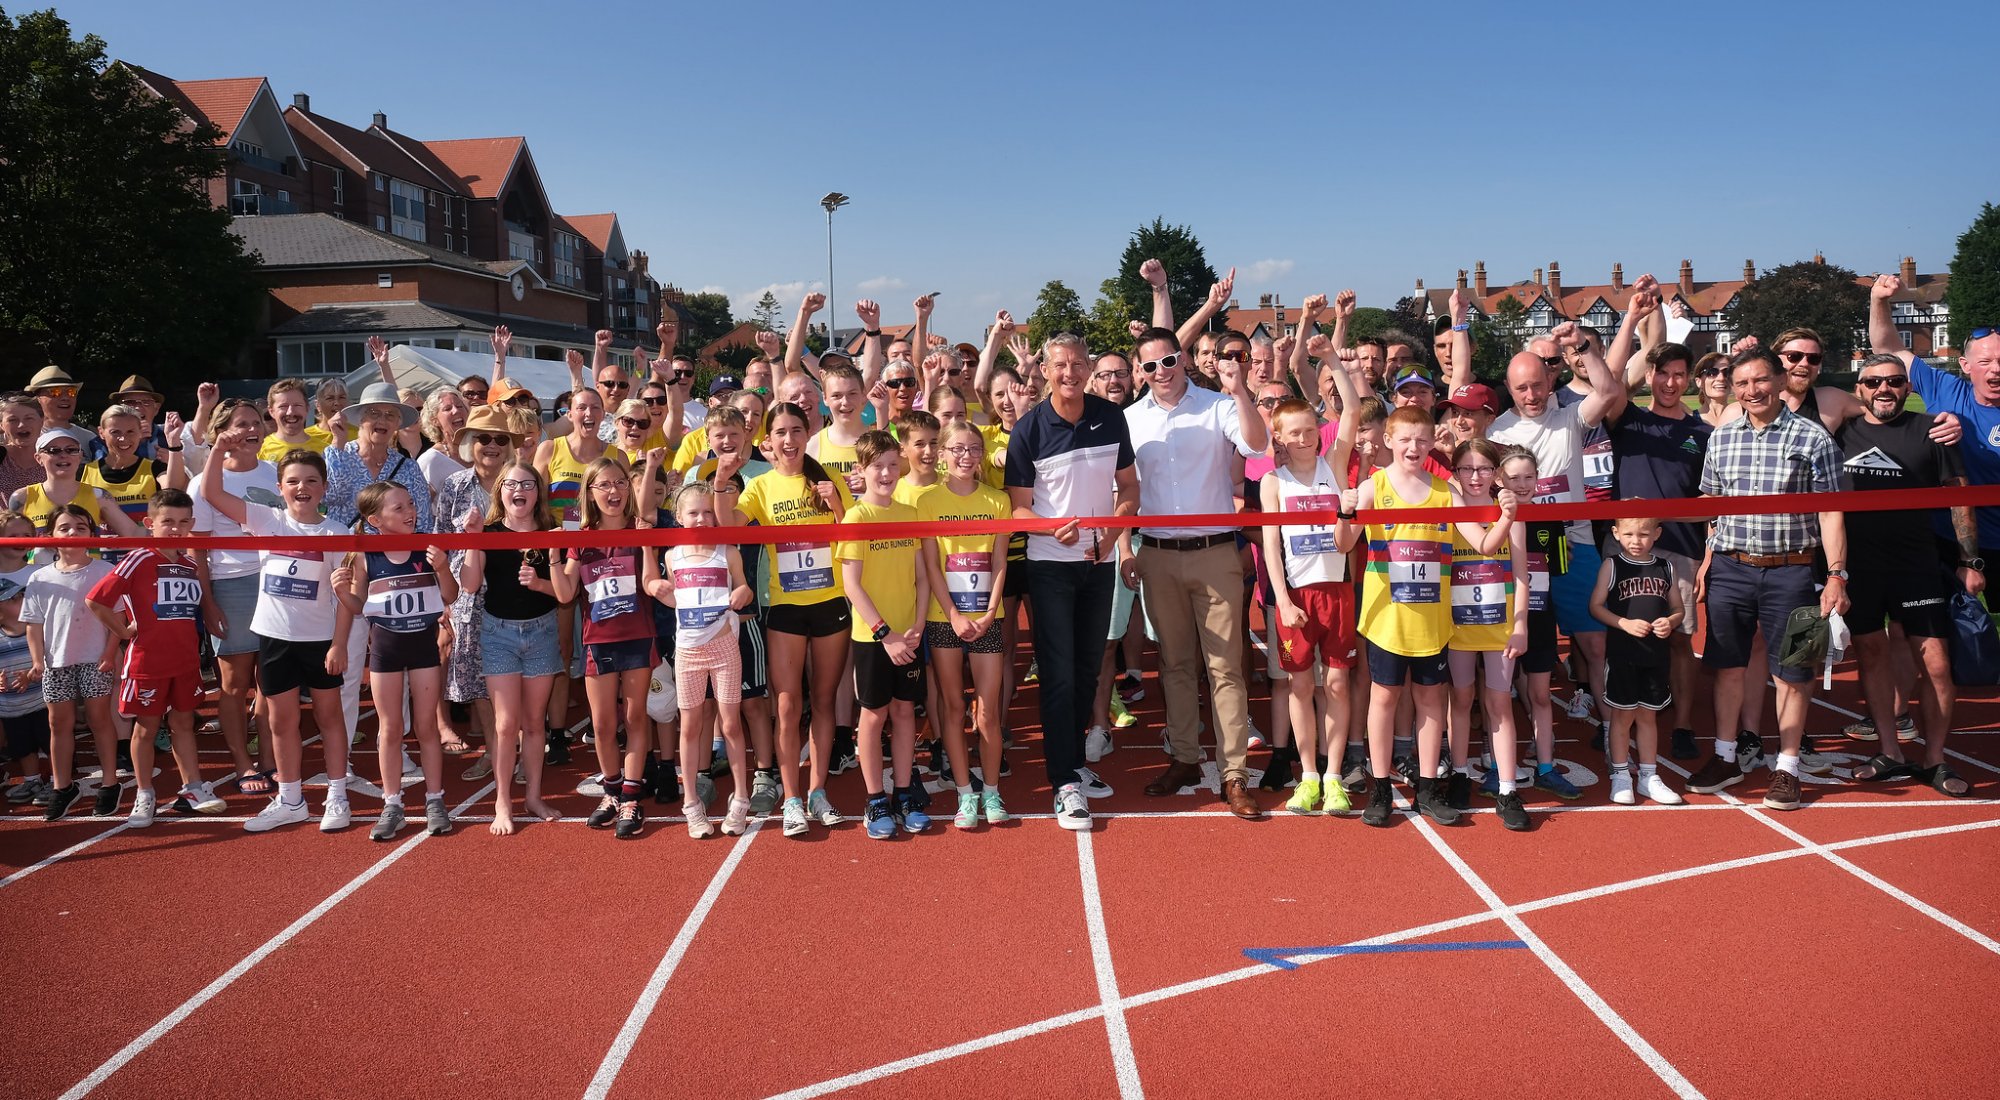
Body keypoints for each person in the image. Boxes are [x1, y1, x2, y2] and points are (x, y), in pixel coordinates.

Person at [1332, 407, 1517, 826]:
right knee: (1383, 698)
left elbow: (1485, 546)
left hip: (1432, 621)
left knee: (1431, 701)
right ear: (1388, 442)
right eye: (1405, 439)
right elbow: (1344, 544)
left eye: (1421, 440)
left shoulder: (1445, 492)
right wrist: (1345, 512)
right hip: (1387, 620)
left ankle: (1428, 789)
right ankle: (1380, 788)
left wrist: (1506, 516)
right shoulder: (1372, 487)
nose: (1414, 447)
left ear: (1432, 441)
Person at [1685, 346, 1848, 811]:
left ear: (1777, 382)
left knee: (1794, 672)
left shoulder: (1813, 439)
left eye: (1759, 381)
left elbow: (1832, 512)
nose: (1751, 390)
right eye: (1741, 384)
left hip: (1793, 571)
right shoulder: (1722, 438)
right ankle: (1725, 755)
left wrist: (1836, 576)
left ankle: (1788, 767)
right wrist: (1704, 560)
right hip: (1731, 569)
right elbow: (1712, 508)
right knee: (1728, 665)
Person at [1124, 324, 1268, 819]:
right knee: (1175, 665)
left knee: (1225, 667)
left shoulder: (1218, 405)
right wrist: (1125, 548)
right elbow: (1122, 493)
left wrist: (1240, 388)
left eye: (1167, 360)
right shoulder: (1128, 419)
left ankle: (1233, 773)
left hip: (1214, 554)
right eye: (1148, 365)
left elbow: (1255, 444)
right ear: (1139, 373)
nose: (1160, 371)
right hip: (1157, 554)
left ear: (1183, 359)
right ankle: (1184, 757)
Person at [1006, 333, 1140, 832]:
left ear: (1089, 368)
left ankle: (1074, 763)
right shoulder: (1028, 430)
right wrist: (1048, 528)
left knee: (1088, 669)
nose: (1070, 373)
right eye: (1060, 365)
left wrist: (1113, 532)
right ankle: (1063, 780)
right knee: (1059, 674)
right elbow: (1018, 508)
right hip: (1049, 566)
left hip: (1099, 563)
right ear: (1044, 369)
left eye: (1078, 364)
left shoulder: (1112, 417)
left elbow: (1130, 488)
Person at [1835, 352, 1978, 798]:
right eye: (1873, 382)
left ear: (1907, 388)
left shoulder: (1933, 430)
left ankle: (1935, 759)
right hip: (1860, 567)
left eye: (1895, 381)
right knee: (1872, 656)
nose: (1884, 389)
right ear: (1858, 389)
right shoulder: (1839, 431)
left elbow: (1960, 499)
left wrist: (1969, 561)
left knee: (1935, 664)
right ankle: (1890, 752)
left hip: (1916, 564)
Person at [1486, 321, 1626, 759]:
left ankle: (1611, 730)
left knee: (1594, 643)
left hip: (1573, 542)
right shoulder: (1497, 433)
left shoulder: (1569, 416)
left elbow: (1608, 391)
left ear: (1551, 380)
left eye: (1538, 385)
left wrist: (1581, 346)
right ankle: (1532, 737)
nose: (1532, 395)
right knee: (1529, 653)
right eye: (1522, 388)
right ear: (1510, 389)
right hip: (1523, 549)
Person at [201, 443, 354, 833]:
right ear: (279, 487)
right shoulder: (267, 520)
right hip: (274, 638)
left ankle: (337, 794)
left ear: (324, 487)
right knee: (281, 721)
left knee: (329, 717)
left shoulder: (337, 532)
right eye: (293, 481)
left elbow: (346, 599)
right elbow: (212, 493)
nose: (301, 487)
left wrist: (338, 644)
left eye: (310, 481)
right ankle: (290, 799)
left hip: (320, 640)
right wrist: (219, 447)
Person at [728, 402, 852, 837]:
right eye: (780, 432)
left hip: (831, 603)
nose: (789, 440)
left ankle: (818, 792)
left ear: (807, 433)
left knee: (823, 700)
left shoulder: (826, 478)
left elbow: (852, 531)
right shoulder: (760, 485)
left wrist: (836, 502)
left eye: (796, 430)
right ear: (769, 440)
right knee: (786, 705)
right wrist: (726, 473)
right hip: (785, 608)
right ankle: (793, 799)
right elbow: (727, 525)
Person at [85, 488, 224, 826]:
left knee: (183, 724)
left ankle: (192, 788)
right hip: (148, 662)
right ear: (150, 523)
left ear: (191, 523)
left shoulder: (190, 564)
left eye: (182, 522)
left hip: (186, 661)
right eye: (167, 522)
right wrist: (122, 632)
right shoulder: (139, 558)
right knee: (146, 729)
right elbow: (96, 601)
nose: (175, 529)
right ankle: (145, 793)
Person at [332, 482, 458, 840]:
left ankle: (435, 800)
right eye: (398, 508)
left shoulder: (427, 548)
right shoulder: (364, 555)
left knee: (426, 726)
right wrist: (342, 592)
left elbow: (450, 594)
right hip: (386, 648)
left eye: (411, 504)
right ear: (375, 519)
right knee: (389, 729)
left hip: (422, 647)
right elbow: (359, 607)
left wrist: (444, 568)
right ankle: (393, 804)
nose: (410, 512)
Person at [1260, 384, 1360, 818]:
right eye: (1294, 433)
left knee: (1336, 685)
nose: (1303, 439)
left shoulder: (1333, 465)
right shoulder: (1271, 481)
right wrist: (1281, 600)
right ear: (1278, 437)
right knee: (1300, 687)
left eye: (1309, 431)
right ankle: (1307, 776)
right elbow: (1270, 547)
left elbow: (1354, 411)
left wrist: (1334, 363)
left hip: (1336, 590)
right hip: (1296, 596)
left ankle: (1334, 776)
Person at [457, 461, 571, 835]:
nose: (519, 490)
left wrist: (540, 583)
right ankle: (503, 802)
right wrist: (473, 538)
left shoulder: (552, 534)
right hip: (498, 634)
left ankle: (534, 796)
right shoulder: (488, 532)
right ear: (500, 491)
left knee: (535, 723)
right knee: (506, 724)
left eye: (528, 483)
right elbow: (470, 584)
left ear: (538, 492)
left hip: (541, 633)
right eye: (511, 483)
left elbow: (566, 593)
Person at [644, 481, 755, 838]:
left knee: (732, 723)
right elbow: (666, 592)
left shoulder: (728, 551)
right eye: (693, 512)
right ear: (678, 517)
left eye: (709, 511)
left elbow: (744, 587)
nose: (702, 518)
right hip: (689, 651)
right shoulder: (672, 556)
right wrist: (657, 588)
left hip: (724, 648)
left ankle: (741, 799)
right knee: (689, 726)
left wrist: (741, 592)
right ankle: (691, 802)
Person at [836, 430, 933, 838]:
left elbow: (923, 577)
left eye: (894, 464)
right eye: (878, 466)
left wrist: (918, 624)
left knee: (906, 711)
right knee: (873, 716)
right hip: (873, 638)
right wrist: (885, 634)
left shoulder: (909, 514)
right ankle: (876, 800)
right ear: (861, 470)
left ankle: (905, 791)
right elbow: (851, 585)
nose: (887, 473)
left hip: (908, 634)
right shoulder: (856, 518)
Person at [919, 420, 1013, 828]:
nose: (966, 456)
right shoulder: (927, 502)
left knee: (987, 711)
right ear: (942, 454)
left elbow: (998, 561)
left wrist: (990, 612)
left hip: (987, 617)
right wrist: (954, 614)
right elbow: (932, 565)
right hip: (945, 618)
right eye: (957, 449)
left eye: (974, 449)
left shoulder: (998, 501)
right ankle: (964, 794)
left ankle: (991, 792)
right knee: (954, 706)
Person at [189, 400, 280, 794]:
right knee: (233, 682)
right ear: (220, 432)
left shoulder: (276, 473)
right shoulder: (202, 483)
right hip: (232, 585)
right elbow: (197, 551)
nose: (251, 430)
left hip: (277, 582)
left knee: (272, 680)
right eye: (240, 424)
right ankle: (242, 762)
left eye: (256, 422)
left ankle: (270, 758)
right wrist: (207, 602)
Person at [1441, 438, 1532, 830]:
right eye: (1466, 469)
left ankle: (1508, 788)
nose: (1475, 477)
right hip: (1458, 627)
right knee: (1460, 700)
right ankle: (1459, 772)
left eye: (1483, 469)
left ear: (1496, 473)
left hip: (1498, 629)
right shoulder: (1450, 507)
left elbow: (1521, 574)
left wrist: (1521, 624)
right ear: (1455, 473)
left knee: (1499, 705)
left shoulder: (1511, 513)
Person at [20, 506, 117, 819]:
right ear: (51, 536)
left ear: (92, 534)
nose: (73, 533)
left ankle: (110, 782)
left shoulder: (104, 571)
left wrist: (109, 652)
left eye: (80, 527)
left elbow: (119, 617)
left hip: (94, 659)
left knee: (99, 719)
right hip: (56, 662)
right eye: (65, 528)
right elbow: (33, 624)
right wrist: (38, 661)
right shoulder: (40, 577)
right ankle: (63, 786)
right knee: (58, 724)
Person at [436, 405, 518, 770]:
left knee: (517, 672)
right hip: (468, 596)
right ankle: (494, 751)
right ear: (470, 443)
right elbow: (439, 543)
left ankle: (520, 749)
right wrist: (446, 601)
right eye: (484, 438)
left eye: (500, 439)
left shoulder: (521, 483)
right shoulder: (453, 486)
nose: (492, 445)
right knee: (480, 677)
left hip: (515, 592)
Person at [1589, 516, 1686, 805]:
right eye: (1629, 534)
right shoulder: (1612, 565)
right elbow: (1595, 606)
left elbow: (1678, 609)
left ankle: (1648, 775)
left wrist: (1670, 622)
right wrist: (1623, 623)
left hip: (1655, 656)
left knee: (1648, 716)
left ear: (1656, 534)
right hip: (1623, 655)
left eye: (1643, 534)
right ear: (1616, 533)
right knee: (1622, 716)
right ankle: (1620, 774)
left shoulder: (1666, 567)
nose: (1636, 540)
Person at [9, 427, 142, 538]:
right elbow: (9, 543)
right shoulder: (22, 497)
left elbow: (133, 533)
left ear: (80, 457)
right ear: (39, 458)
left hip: (88, 569)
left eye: (71, 450)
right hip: (39, 569)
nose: (63, 455)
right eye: (53, 451)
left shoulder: (99, 496)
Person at [82, 404, 186, 536]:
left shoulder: (154, 468)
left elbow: (174, 490)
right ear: (101, 433)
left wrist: (174, 443)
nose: (123, 439)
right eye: (115, 432)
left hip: (144, 553)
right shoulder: (84, 472)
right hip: (100, 555)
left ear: (140, 433)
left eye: (130, 432)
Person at [416, 388, 471, 499]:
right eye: (447, 408)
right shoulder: (431, 460)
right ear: (434, 420)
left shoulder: (482, 448)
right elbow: (420, 506)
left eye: (460, 406)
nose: (456, 411)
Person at [261, 378, 332, 462]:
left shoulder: (326, 452)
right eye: (283, 406)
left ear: (307, 408)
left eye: (297, 405)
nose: (290, 412)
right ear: (271, 411)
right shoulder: (260, 449)